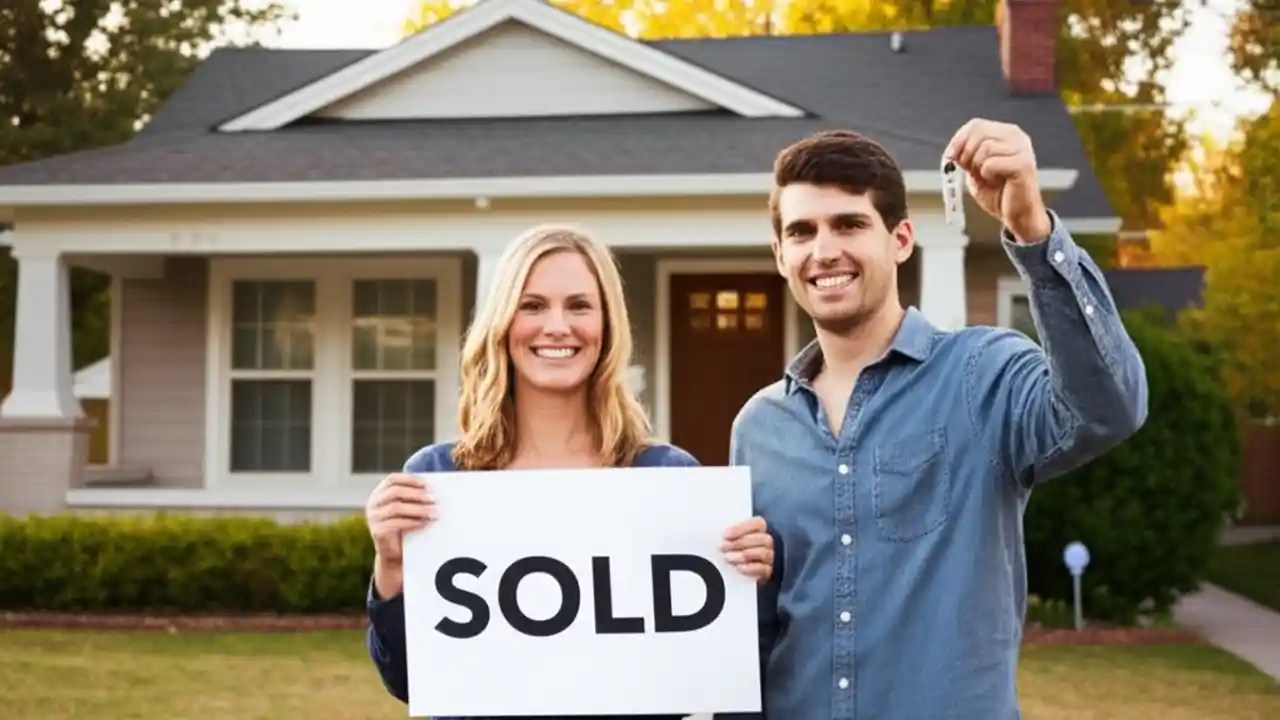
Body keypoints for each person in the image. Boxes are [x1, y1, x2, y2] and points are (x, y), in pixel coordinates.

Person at [727, 120, 1148, 719]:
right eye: (801, 232)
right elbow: (752, 631)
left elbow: (1111, 408)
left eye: (849, 224)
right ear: (780, 255)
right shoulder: (759, 427)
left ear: (901, 239)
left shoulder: (982, 375)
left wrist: (1031, 227)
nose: (823, 251)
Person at [362, 224, 776, 719]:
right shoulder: (438, 481)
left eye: (579, 305)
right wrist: (390, 568)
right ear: (503, 321)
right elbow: (409, 679)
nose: (557, 326)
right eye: (533, 305)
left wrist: (750, 581)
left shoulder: (665, 478)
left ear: (606, 326)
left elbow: (713, 671)